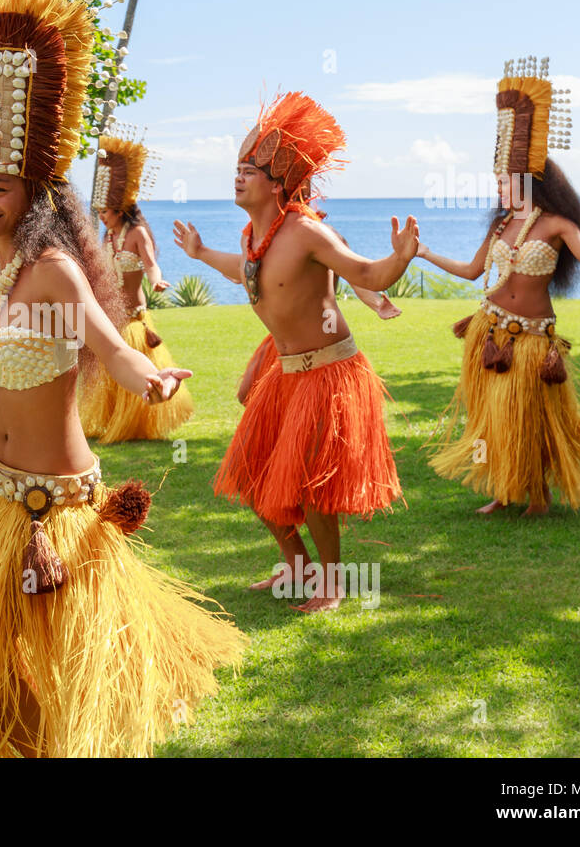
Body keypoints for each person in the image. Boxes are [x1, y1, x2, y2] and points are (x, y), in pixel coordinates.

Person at [0, 0, 246, 758]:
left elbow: (107, 343)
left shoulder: (55, 270)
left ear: (35, 192)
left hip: (52, 509)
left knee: (74, 660)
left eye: (1, 189)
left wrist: (150, 378)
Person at [175, 92, 415, 612]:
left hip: (327, 372)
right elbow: (245, 271)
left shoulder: (307, 231)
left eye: (249, 169)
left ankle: (331, 581)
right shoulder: (250, 237)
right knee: (252, 472)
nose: (238, 176)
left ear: (277, 183)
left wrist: (398, 261)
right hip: (283, 369)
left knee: (309, 485)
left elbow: (366, 274)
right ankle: (297, 565)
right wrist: (198, 253)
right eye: (237, 168)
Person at [417, 56, 580, 515]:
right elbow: (473, 272)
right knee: (495, 416)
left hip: (534, 341)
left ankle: (539, 495)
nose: (498, 189)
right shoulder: (500, 226)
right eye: (497, 181)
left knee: (532, 416)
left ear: (527, 180)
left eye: (504, 181)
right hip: (490, 332)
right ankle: (504, 490)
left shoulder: (556, 223)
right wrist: (425, 253)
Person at [78, 125, 193, 442]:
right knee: (109, 374)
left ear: (122, 209)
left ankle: (133, 426)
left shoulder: (137, 234)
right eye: (99, 212)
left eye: (106, 212)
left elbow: (152, 265)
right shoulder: (108, 236)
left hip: (134, 320)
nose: (102, 217)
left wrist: (158, 282)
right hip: (111, 318)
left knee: (134, 371)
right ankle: (115, 422)